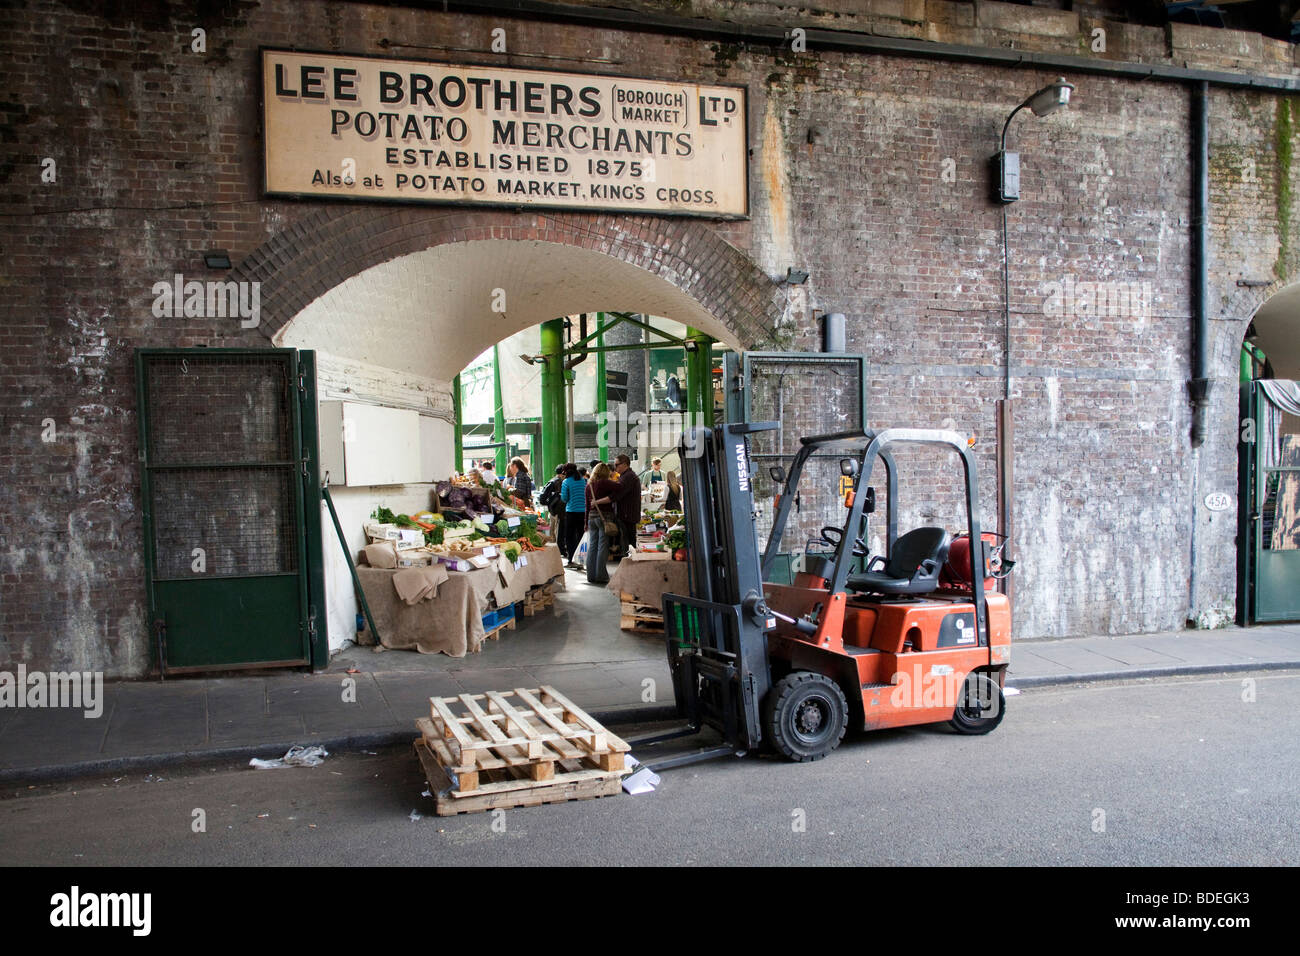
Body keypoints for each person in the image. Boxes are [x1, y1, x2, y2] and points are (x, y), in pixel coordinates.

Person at [593, 454, 641, 559]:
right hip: (627, 514)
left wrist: (597, 502)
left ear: (624, 464)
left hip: (627, 514)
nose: (615, 468)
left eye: (617, 465)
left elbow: (615, 496)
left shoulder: (628, 477)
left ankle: (628, 564)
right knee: (627, 541)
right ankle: (628, 562)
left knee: (627, 542)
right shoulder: (626, 476)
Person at [584, 462, 621, 584]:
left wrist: (585, 523)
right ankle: (601, 575)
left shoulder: (588, 485)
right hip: (604, 518)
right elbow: (620, 488)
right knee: (602, 546)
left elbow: (587, 506)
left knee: (592, 546)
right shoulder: (605, 483)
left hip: (591, 518)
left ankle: (591, 576)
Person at [559, 463, 587, 568]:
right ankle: (581, 560)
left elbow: (564, 499)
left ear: (566, 472)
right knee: (581, 536)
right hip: (583, 512)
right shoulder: (583, 481)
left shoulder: (566, 482)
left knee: (570, 537)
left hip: (571, 512)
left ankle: (571, 560)